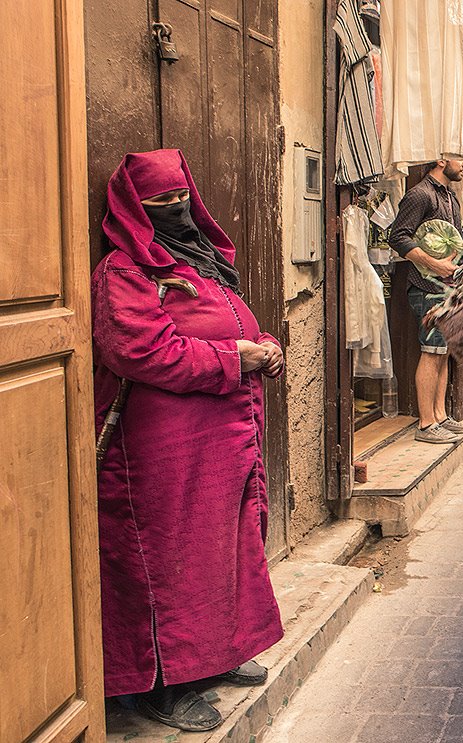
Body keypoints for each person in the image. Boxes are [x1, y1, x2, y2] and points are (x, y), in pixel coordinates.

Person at [92, 149, 285, 731]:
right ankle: (163, 687)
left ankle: (215, 658)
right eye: (160, 204)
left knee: (220, 552)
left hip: (223, 439)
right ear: (134, 210)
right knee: (166, 560)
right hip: (162, 450)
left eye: (182, 199)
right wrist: (235, 357)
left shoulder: (196, 260)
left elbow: (225, 322)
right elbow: (140, 351)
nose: (176, 210)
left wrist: (259, 345)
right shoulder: (124, 272)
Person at [388, 159, 463, 444]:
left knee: (442, 351)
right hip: (426, 287)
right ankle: (426, 424)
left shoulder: (449, 195)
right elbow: (397, 236)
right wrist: (433, 263)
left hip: (447, 288)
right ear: (441, 159)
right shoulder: (420, 195)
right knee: (431, 351)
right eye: (459, 157)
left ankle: (440, 416)